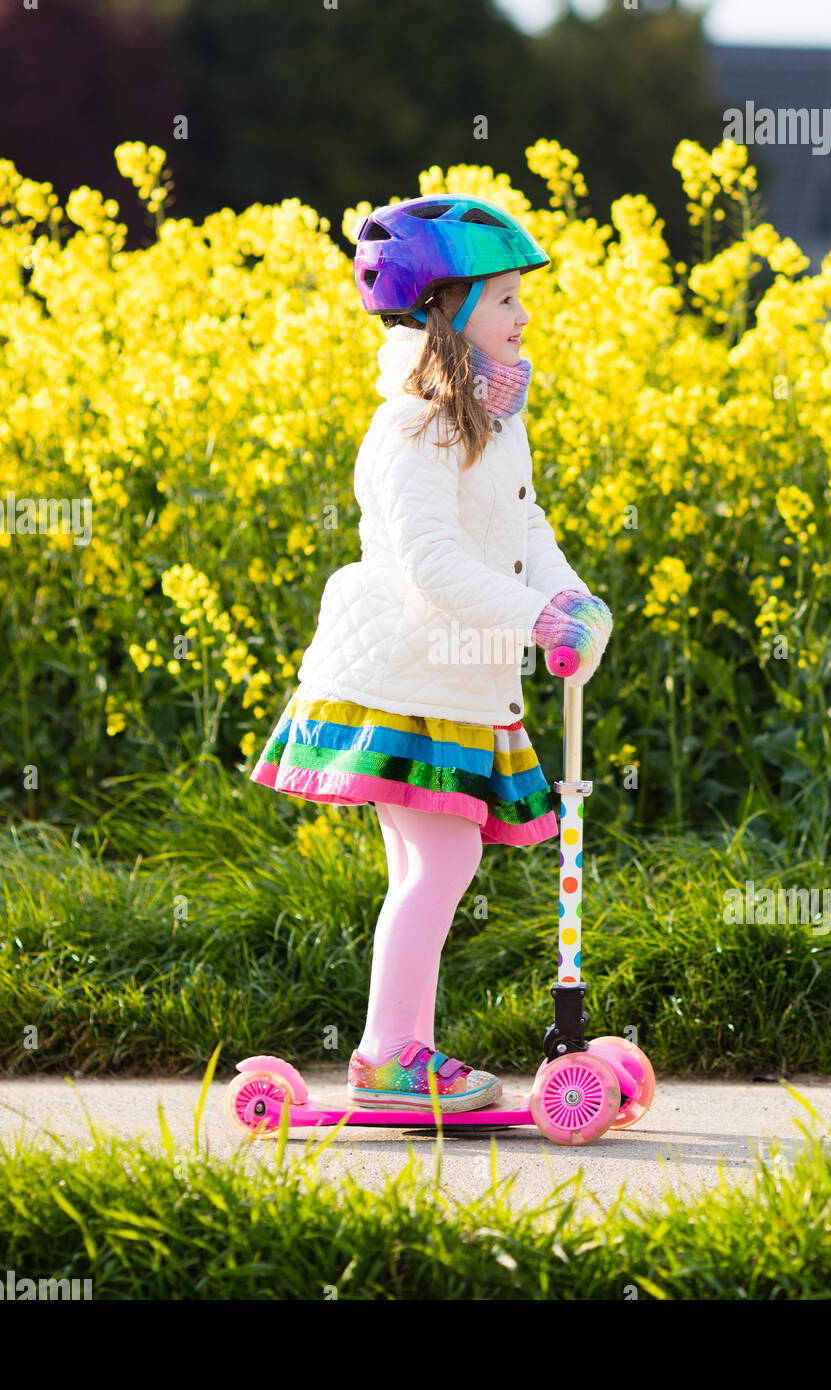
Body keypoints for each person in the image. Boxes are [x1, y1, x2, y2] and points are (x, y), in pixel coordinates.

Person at [250, 194, 613, 1112]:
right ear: (446, 313)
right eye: (503, 300)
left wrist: (567, 597)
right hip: (403, 676)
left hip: (455, 678)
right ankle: (388, 1056)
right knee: (441, 865)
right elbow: (433, 563)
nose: (523, 317)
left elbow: (525, 526)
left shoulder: (492, 421)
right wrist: (536, 620)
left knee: (427, 868)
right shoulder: (412, 428)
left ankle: (395, 1050)